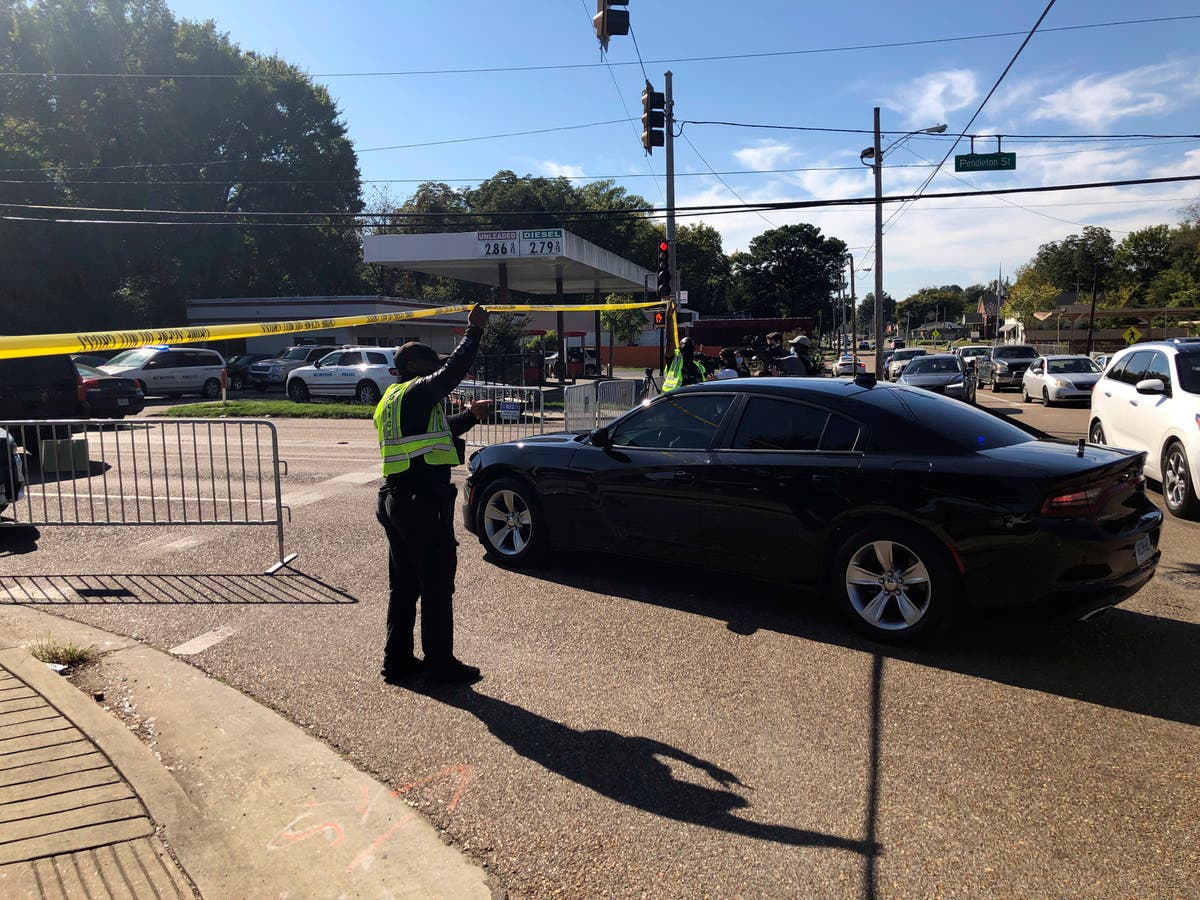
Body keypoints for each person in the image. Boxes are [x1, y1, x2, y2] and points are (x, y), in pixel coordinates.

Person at [374, 303, 494, 685]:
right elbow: (452, 371)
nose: (438, 373)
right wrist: (473, 330)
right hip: (422, 502)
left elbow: (434, 437)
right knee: (437, 585)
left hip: (398, 499)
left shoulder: (392, 398)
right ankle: (440, 666)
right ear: (419, 369)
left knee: (405, 586)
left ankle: (398, 662)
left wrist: (470, 416)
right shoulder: (419, 390)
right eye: (433, 367)